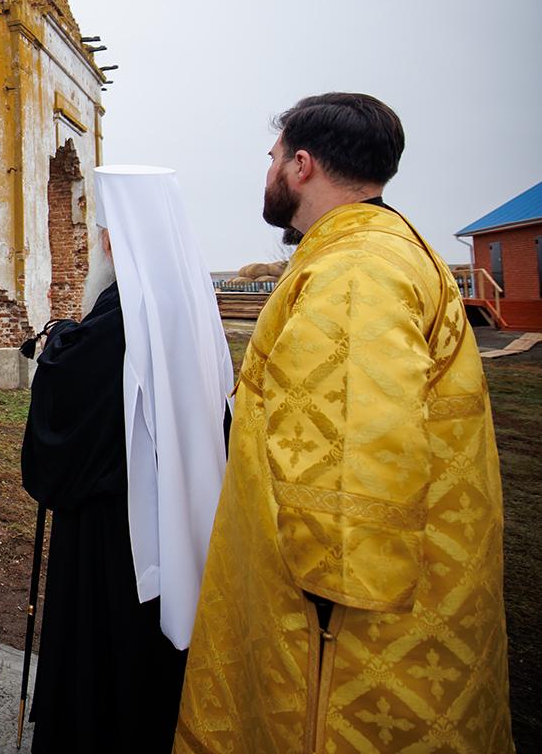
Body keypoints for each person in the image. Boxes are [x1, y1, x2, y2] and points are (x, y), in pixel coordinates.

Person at [177, 95, 513, 751]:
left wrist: (322, 608)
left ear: (301, 166)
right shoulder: (372, 249)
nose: (267, 172)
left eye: (272, 159)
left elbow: (354, 447)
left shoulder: (356, 270)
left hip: (337, 639)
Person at [21, 164, 233, 753]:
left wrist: (60, 344)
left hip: (114, 525)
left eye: (102, 232)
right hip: (179, 506)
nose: (98, 242)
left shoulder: (125, 310)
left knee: (107, 643)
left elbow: (71, 413)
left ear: (118, 239)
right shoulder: (186, 304)